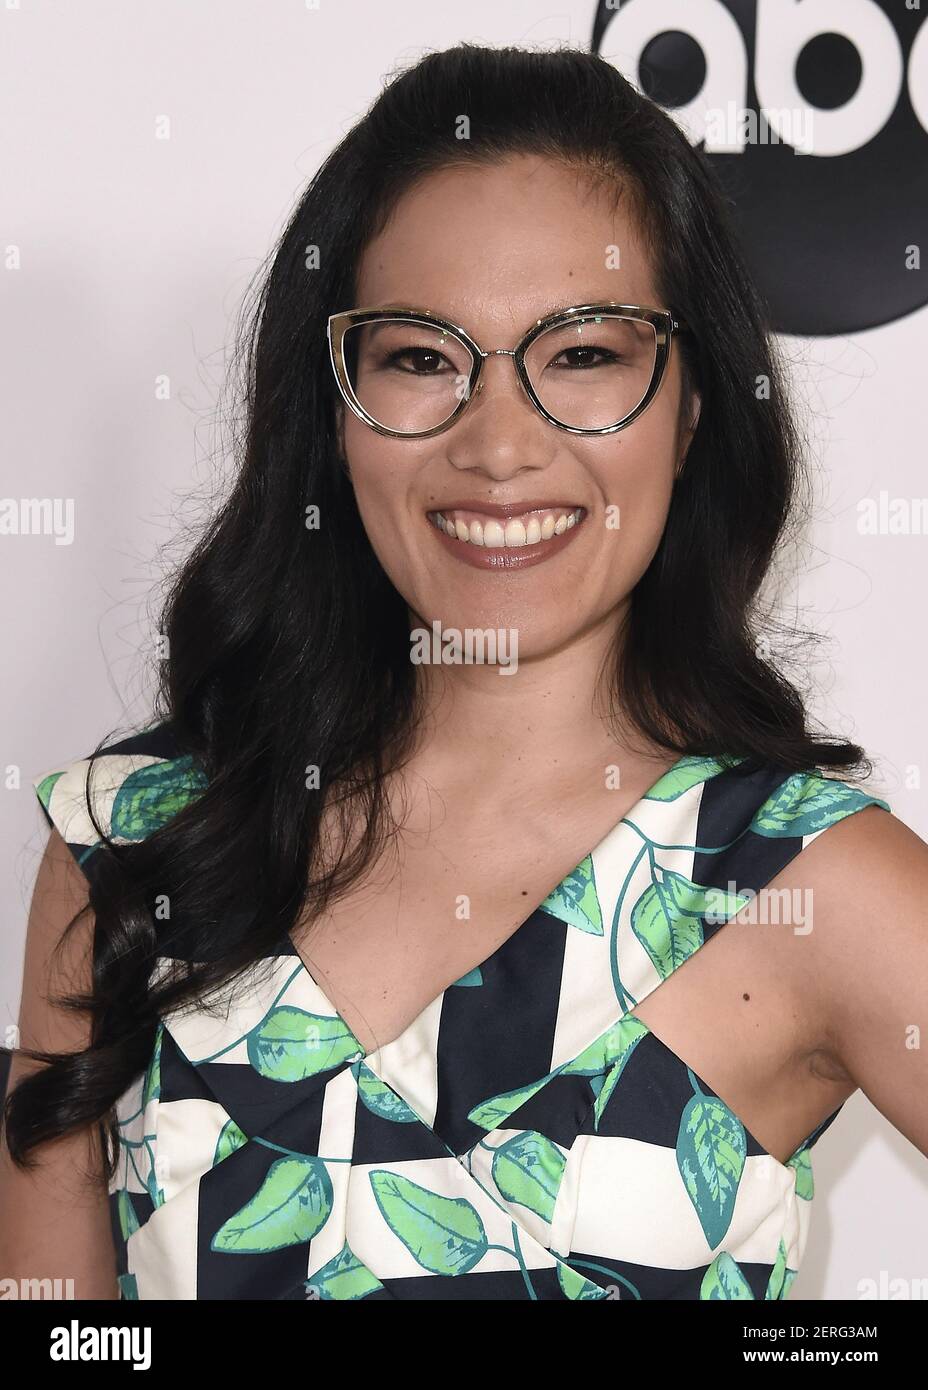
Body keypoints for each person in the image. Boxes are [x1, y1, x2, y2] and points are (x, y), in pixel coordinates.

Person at [2, 43, 926, 1303]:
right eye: (422, 358)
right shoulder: (137, 844)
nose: (498, 446)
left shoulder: (813, 883)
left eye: (583, 356)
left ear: (691, 405)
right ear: (333, 405)